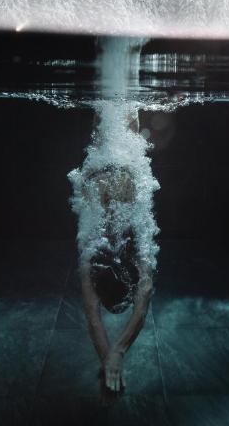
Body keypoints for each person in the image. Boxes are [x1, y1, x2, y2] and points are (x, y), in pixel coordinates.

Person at [69, 105, 158, 393]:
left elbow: (141, 311)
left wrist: (117, 353)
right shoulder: (91, 262)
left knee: (126, 108)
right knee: (106, 110)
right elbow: (93, 318)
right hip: (97, 174)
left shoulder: (139, 259)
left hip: (127, 172)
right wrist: (111, 355)